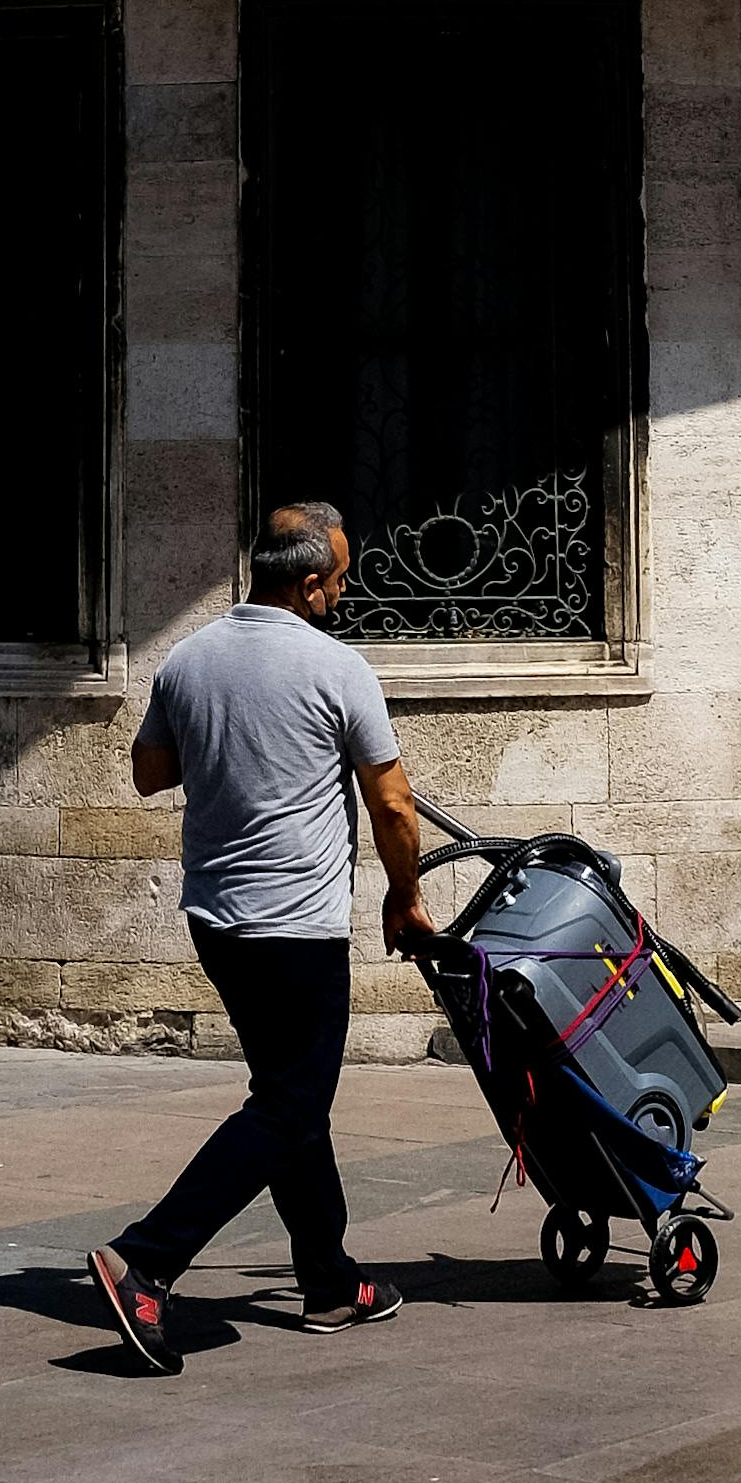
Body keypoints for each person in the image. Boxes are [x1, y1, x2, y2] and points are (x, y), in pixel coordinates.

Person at [89, 500, 426, 1368]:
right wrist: (404, 895)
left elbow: (148, 774)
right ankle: (147, 1259)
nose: (344, 595)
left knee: (290, 1099)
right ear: (309, 583)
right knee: (289, 1103)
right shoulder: (337, 667)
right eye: (340, 580)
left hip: (218, 922)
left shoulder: (188, 658)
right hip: (299, 928)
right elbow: (392, 803)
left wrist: (226, 742)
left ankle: (328, 1282)